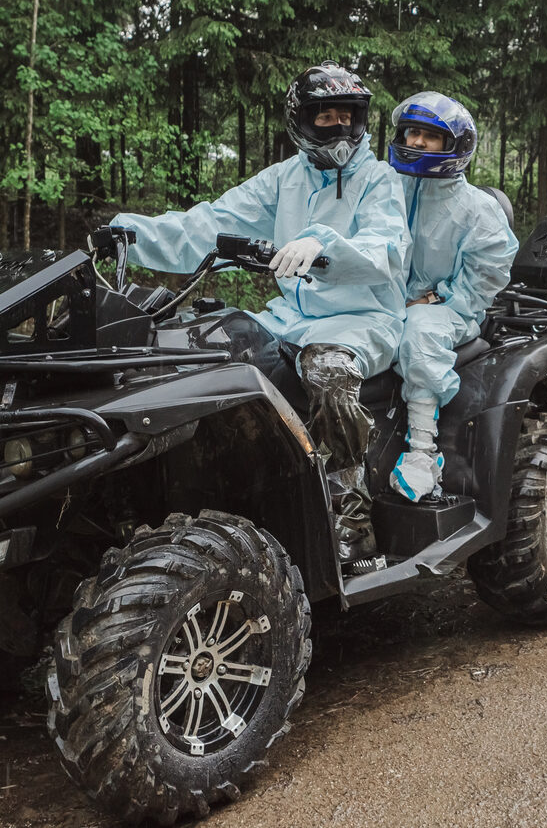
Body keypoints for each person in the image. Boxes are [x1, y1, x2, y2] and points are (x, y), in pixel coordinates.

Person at [111, 61, 410, 559]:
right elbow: (207, 224)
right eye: (324, 116)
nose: (338, 126)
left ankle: (350, 517)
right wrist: (129, 233)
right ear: (301, 121)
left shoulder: (379, 180)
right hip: (291, 315)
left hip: (364, 318)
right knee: (207, 345)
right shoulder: (282, 180)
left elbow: (385, 248)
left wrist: (322, 243)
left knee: (326, 369)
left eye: (347, 114)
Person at [385, 92, 518, 501]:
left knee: (419, 335)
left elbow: (487, 273)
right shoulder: (388, 188)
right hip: (387, 300)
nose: (418, 142)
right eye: (412, 132)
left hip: (448, 310)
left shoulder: (477, 208)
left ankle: (423, 452)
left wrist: (436, 298)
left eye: (430, 136)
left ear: (454, 147)